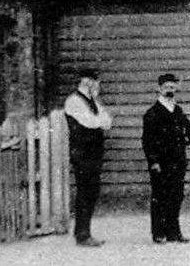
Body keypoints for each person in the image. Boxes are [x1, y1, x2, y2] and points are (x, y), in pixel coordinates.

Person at [141, 73, 190, 244]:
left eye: (172, 87)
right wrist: (154, 161)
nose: (170, 90)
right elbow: (147, 141)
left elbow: (187, 127)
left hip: (178, 161)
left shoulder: (177, 110)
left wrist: (187, 138)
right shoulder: (152, 113)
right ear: (159, 89)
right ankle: (158, 232)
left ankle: (174, 231)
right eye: (166, 88)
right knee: (160, 197)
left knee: (176, 196)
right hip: (161, 163)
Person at [63, 68, 112, 247]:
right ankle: (82, 235)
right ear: (86, 81)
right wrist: (99, 120)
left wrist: (98, 114)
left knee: (91, 192)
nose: (97, 84)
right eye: (94, 80)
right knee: (85, 192)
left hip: (93, 153)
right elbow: (90, 122)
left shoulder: (93, 100)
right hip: (82, 154)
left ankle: (85, 232)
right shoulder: (74, 101)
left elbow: (107, 122)